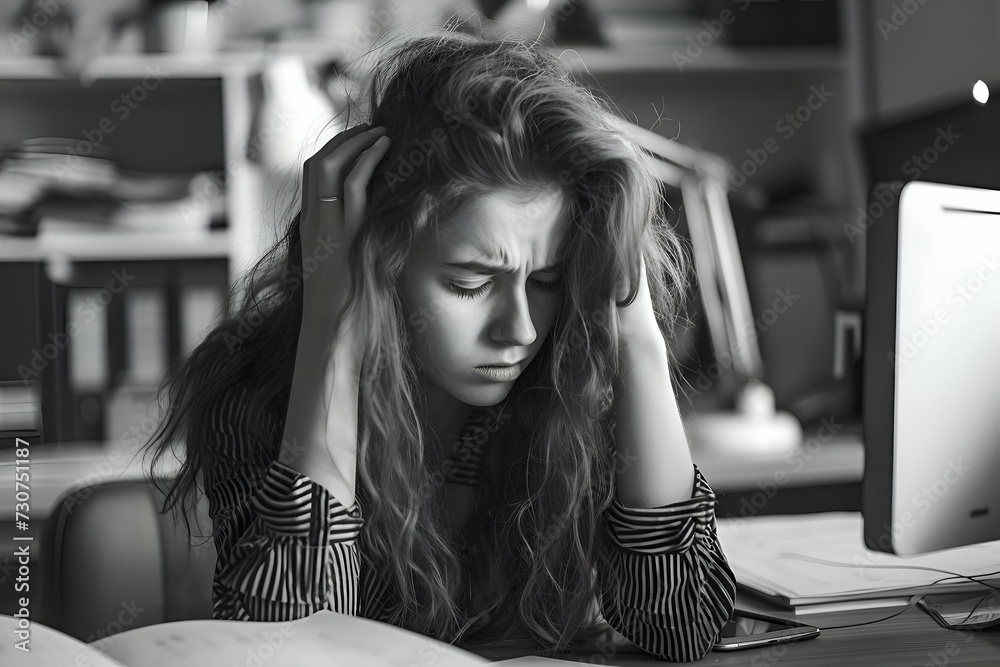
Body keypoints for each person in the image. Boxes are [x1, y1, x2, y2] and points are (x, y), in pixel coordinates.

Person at [143, 23, 736, 663]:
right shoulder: (257, 392)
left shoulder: (574, 367)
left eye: (545, 282)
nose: (521, 329)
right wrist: (334, 328)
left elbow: (685, 629)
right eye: (468, 283)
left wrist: (635, 328)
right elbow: (285, 647)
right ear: (381, 263)